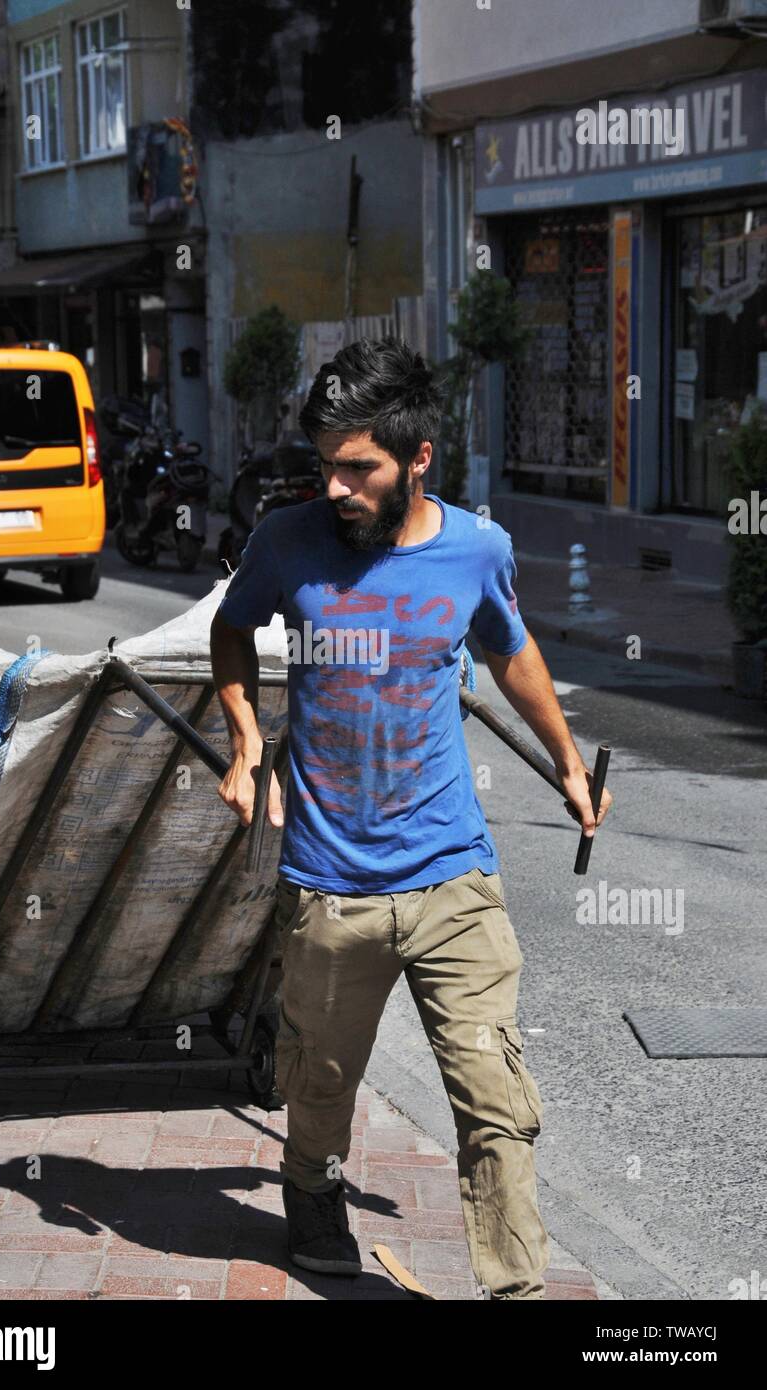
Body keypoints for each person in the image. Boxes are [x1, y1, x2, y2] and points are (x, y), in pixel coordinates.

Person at [209, 336, 612, 1300]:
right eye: (327, 465)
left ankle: (515, 1287)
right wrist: (243, 740)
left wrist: (566, 760)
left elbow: (511, 651)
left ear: (416, 457)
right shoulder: (286, 542)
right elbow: (232, 628)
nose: (337, 486)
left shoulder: (476, 548)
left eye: (360, 468)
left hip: (451, 876)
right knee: (317, 1086)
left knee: (495, 1100)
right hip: (330, 884)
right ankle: (310, 1196)